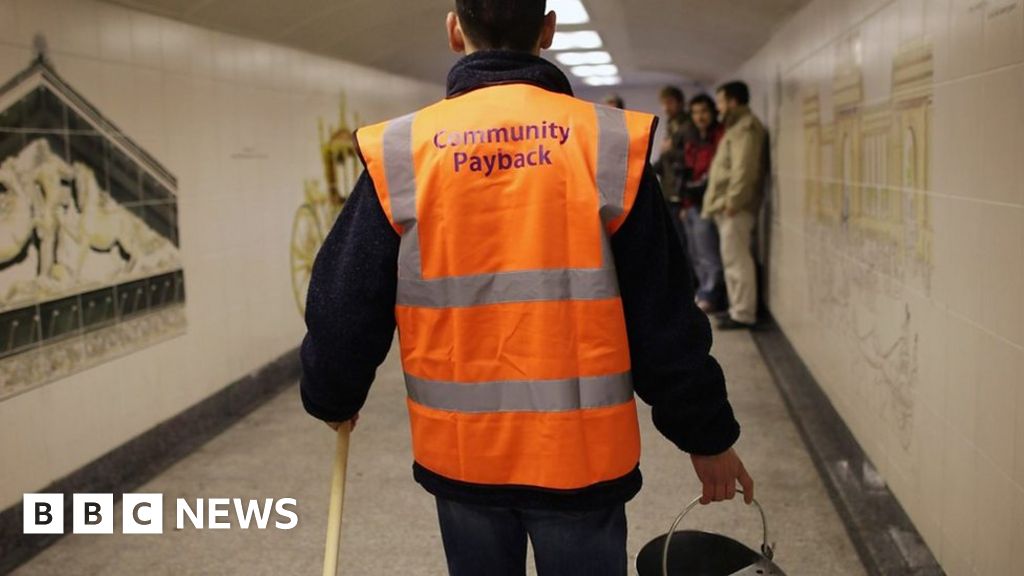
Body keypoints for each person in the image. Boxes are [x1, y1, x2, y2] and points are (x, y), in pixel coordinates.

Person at [299, 2, 754, 575]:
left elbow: (345, 301)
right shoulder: (610, 144)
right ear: (548, 29)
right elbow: (662, 316)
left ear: (454, 29)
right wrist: (706, 435)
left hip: (462, 458)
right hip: (581, 463)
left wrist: (334, 392)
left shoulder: (402, 150)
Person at [701, 81, 767, 330]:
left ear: (733, 101)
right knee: (732, 261)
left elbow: (744, 169)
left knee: (737, 262)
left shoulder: (745, 128)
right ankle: (736, 308)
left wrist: (733, 202)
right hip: (728, 206)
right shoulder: (736, 127)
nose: (718, 107)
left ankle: (743, 313)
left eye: (720, 102)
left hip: (735, 208)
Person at [681, 94, 726, 314]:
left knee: (709, 254)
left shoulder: (719, 136)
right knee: (696, 253)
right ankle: (703, 290)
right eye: (696, 112)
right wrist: (684, 204)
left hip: (707, 202)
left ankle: (712, 295)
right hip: (691, 203)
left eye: (704, 112)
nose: (700, 117)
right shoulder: (693, 138)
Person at [653, 85, 697, 249]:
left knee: (682, 241)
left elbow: (692, 157)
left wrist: (670, 151)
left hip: (680, 191)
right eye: (664, 103)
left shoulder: (688, 126)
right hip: (670, 189)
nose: (666, 108)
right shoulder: (672, 125)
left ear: (680, 102)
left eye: (670, 102)